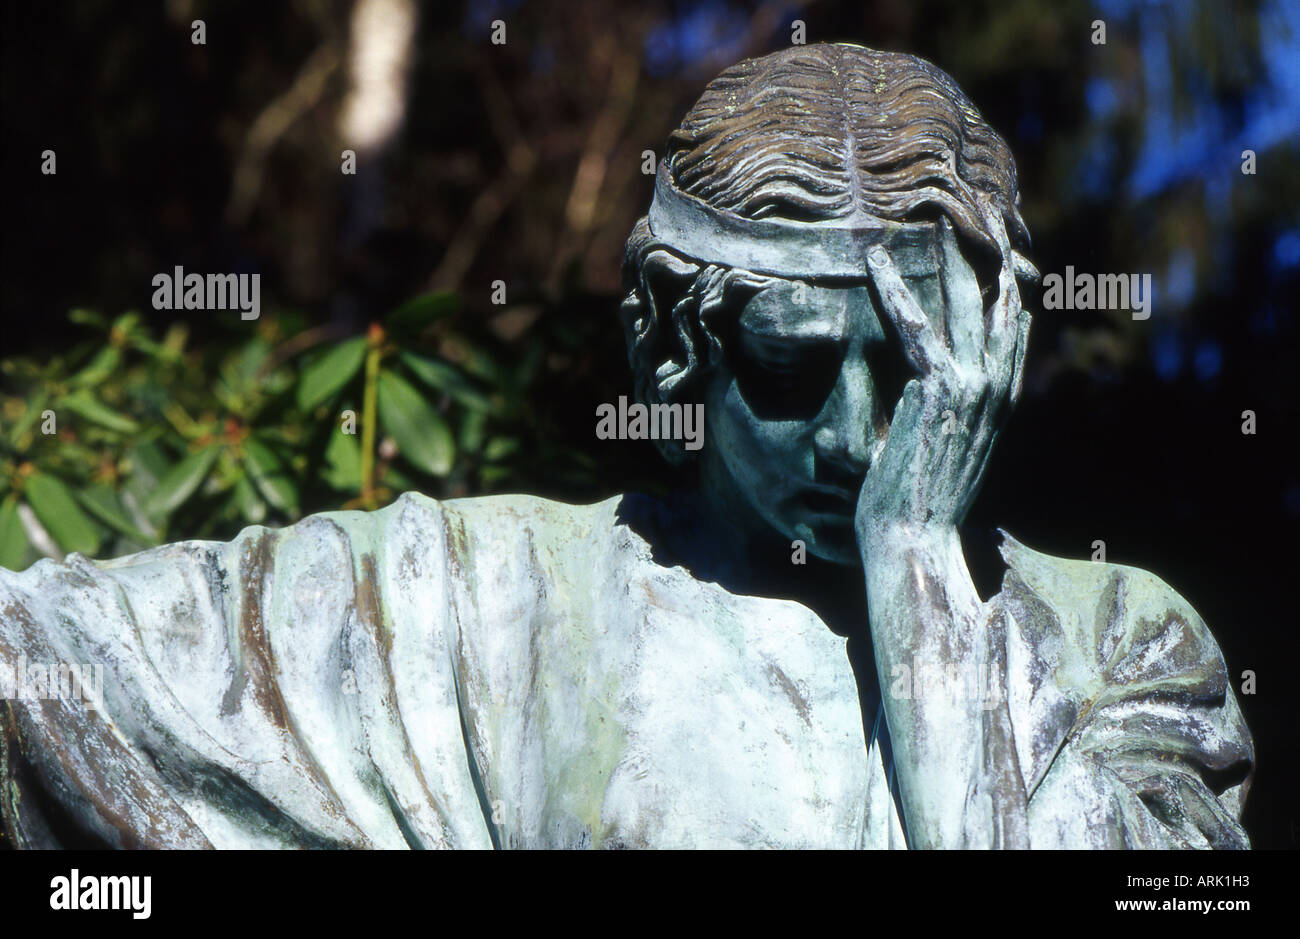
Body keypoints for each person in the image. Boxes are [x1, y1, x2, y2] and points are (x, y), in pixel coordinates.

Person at [0, 43, 1251, 849]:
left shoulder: (1117, 653)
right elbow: (37, 678)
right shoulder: (462, 606)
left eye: (917, 378)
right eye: (788, 367)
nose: (862, 438)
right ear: (669, 344)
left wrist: (915, 562)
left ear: (992, 359)